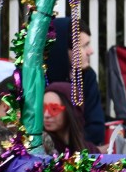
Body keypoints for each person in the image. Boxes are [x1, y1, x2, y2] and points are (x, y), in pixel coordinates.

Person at [45, 17, 105, 146]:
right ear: (62, 51)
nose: (91, 51)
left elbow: (96, 129)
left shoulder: (86, 76)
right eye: (84, 46)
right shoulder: (35, 81)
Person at [42, 82, 97, 155]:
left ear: (71, 111)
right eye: (43, 108)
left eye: (54, 109)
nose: (46, 115)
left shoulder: (90, 151)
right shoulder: (39, 148)